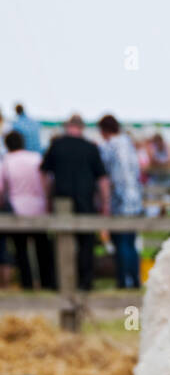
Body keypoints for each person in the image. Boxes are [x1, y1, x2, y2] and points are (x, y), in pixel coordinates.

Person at [40, 113, 109, 291]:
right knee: (86, 243)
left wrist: (47, 197)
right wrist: (105, 204)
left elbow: (44, 174)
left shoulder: (56, 145)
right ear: (82, 128)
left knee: (61, 241)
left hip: (61, 200)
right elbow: (102, 180)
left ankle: (59, 282)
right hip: (85, 201)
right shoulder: (91, 148)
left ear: (67, 126)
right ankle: (84, 282)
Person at [0, 129, 55, 288]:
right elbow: (48, 180)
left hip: (18, 209)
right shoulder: (36, 158)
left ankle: (28, 283)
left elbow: (1, 189)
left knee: (22, 251)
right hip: (39, 207)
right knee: (43, 249)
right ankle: (47, 283)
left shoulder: (6, 161)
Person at [97, 113, 143, 289]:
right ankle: (135, 278)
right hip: (134, 199)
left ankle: (124, 280)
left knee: (121, 243)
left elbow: (108, 176)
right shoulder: (128, 144)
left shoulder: (110, 147)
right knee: (131, 242)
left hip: (119, 200)